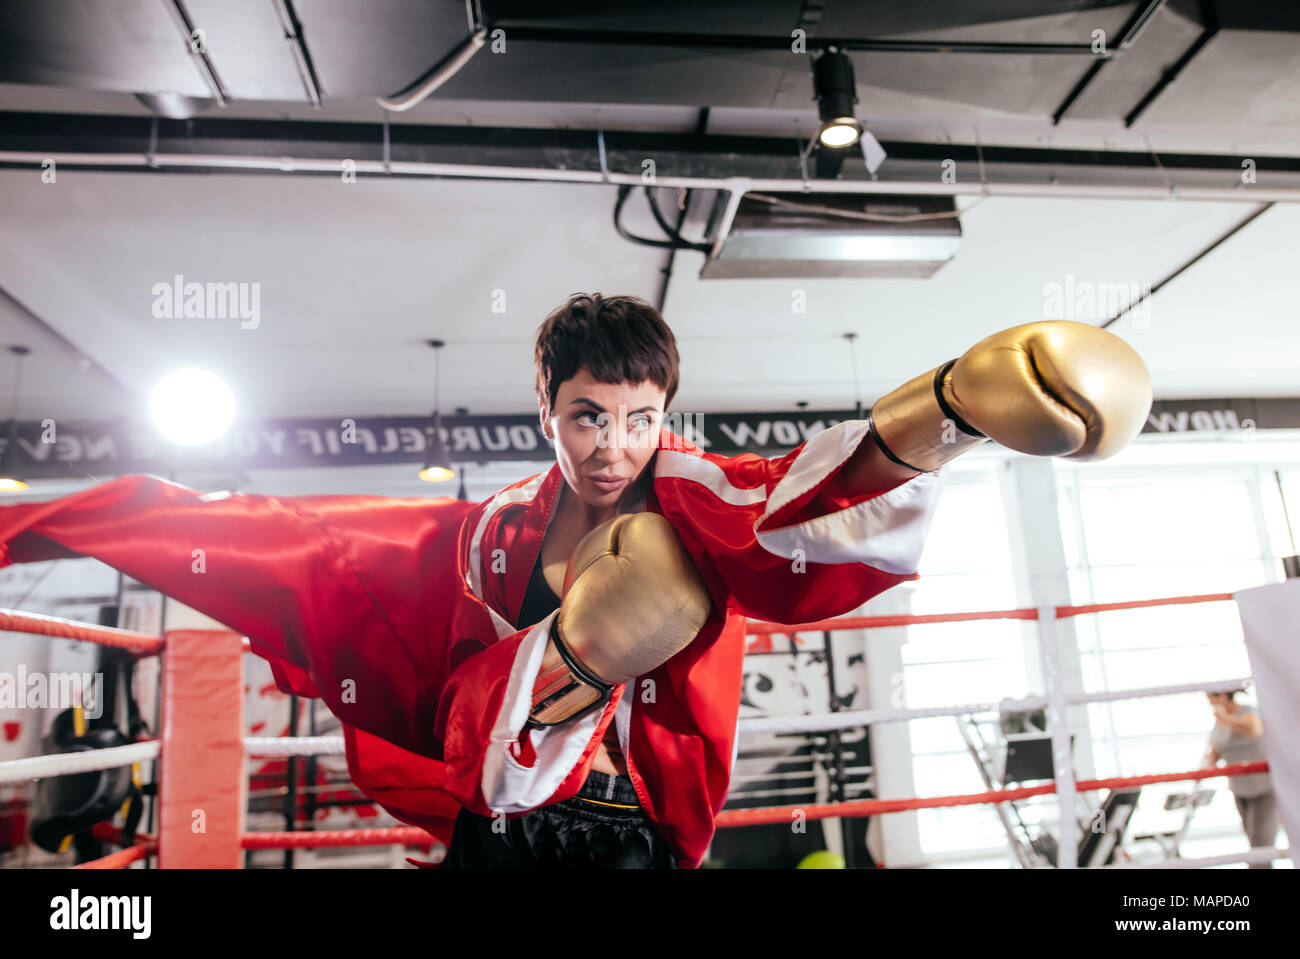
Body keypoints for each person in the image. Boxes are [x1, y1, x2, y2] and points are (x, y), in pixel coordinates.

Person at [0, 293, 1152, 868]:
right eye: (588, 418)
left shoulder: (693, 496)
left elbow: (799, 491)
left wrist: (943, 411)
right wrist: (46, 519)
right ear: (546, 412)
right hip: (499, 823)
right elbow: (283, 536)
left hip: (629, 819)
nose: (613, 446)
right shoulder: (487, 532)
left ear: (667, 415)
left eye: (639, 419)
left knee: (649, 571)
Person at [1205, 689, 1277, 867]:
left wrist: (1226, 718)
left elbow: (1254, 730)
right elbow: (1217, 749)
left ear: (1223, 696)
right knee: (1252, 839)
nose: (1210, 703)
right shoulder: (1219, 720)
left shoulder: (1247, 712)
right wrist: (1205, 770)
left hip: (1263, 786)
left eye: (1212, 698)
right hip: (1239, 787)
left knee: (1261, 843)